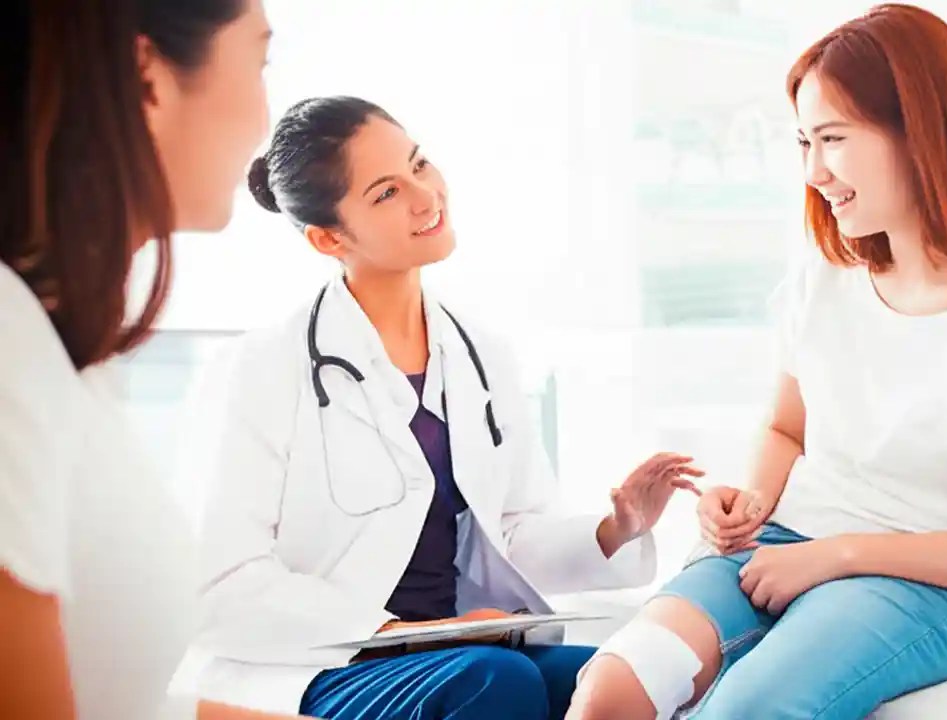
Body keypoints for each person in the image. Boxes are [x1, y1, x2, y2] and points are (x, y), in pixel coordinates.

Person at [568, 4, 947, 719]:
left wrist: (843, 554)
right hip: (781, 546)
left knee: (741, 712)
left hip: (921, 589)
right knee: (612, 690)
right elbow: (786, 429)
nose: (814, 171)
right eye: (804, 142)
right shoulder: (825, 279)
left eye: (834, 139)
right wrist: (750, 504)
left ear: (920, 132)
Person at [179, 95, 703, 720]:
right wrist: (403, 632)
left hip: (456, 650)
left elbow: (508, 533)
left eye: (419, 165)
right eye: (386, 193)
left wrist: (616, 527)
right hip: (321, 660)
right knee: (496, 680)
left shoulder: (481, 353)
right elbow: (220, 586)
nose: (426, 197)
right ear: (327, 237)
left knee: (619, 678)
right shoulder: (264, 368)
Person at [1, 0, 308, 718]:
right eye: (259, 61)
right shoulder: (11, 345)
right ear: (148, 79)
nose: (264, 121)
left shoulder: (66, 363)